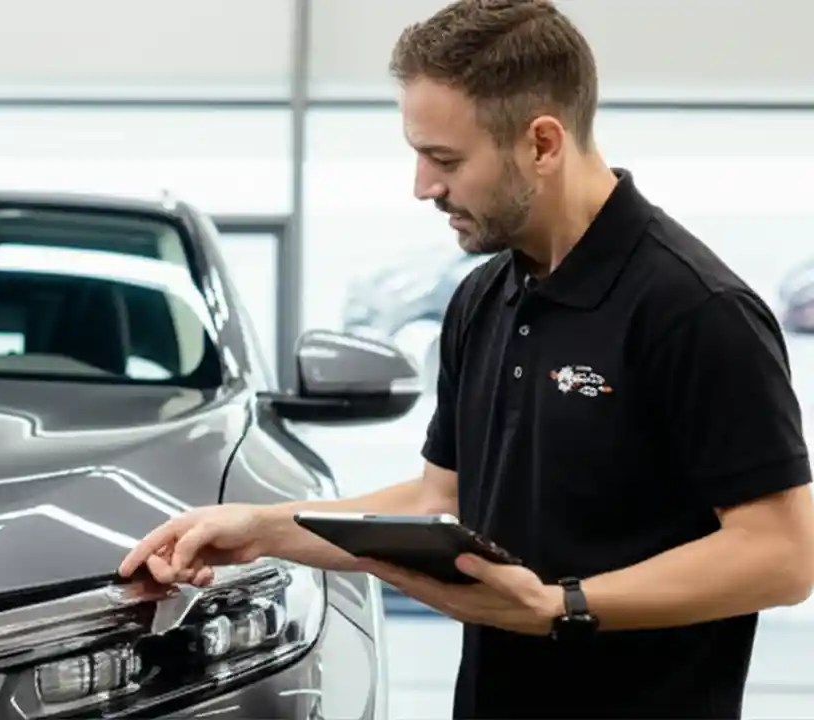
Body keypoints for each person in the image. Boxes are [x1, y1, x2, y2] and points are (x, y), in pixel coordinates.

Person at [117, 0, 814, 717]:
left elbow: (781, 554)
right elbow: (439, 503)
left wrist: (563, 608)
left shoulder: (694, 309)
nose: (423, 185)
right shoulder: (484, 297)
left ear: (542, 144)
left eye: (445, 159)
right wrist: (261, 529)